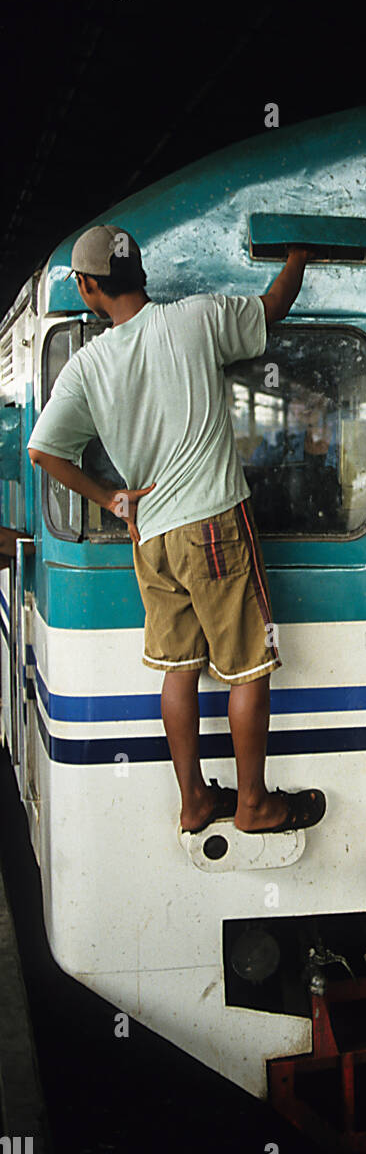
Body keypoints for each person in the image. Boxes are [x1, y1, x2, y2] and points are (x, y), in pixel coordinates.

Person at [28, 224, 325, 836]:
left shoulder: (87, 366)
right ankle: (252, 803)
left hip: (152, 533)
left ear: (88, 288)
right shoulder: (194, 319)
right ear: (139, 273)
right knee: (248, 665)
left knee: (179, 668)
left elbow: (44, 451)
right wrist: (296, 256)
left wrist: (112, 497)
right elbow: (271, 310)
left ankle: (193, 799)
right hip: (213, 519)